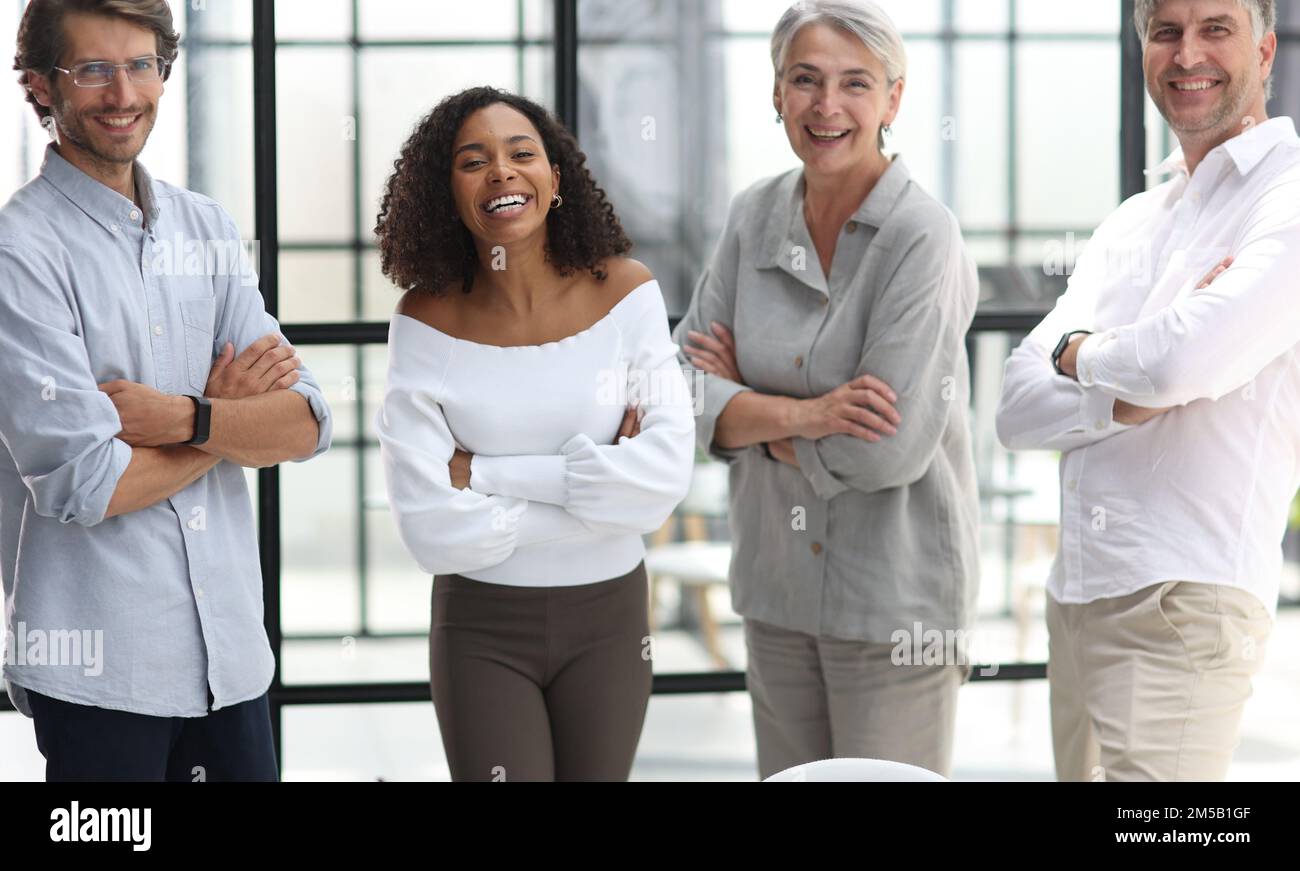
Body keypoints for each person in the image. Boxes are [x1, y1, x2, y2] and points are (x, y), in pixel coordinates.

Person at [0, 0, 333, 781]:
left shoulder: (207, 228)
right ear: (42, 87)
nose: (124, 93)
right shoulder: (19, 252)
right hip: (100, 675)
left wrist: (181, 415)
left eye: (142, 65)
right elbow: (86, 482)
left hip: (232, 662)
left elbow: (306, 422)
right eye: (94, 70)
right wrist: (224, 423)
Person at [676, 0, 980, 779]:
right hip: (775, 589)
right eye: (804, 80)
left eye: (854, 82)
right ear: (777, 93)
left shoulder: (923, 235)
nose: (826, 105)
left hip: (895, 607)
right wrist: (809, 413)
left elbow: (886, 449)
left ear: (893, 99)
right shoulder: (752, 217)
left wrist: (743, 410)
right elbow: (678, 390)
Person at [996, 0, 1294, 781]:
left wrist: (1081, 354)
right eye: (1165, 31)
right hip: (1078, 594)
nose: (1186, 51)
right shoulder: (1132, 221)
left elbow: (1178, 366)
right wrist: (1120, 381)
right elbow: (1014, 406)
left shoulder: (1287, 199)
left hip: (1184, 601)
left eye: (1215, 29)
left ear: (1265, 53)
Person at [373, 86, 695, 782]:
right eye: (473, 160)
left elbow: (659, 486)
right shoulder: (424, 322)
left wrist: (483, 471)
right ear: (446, 192)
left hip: (611, 618)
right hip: (480, 626)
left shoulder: (628, 294)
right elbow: (430, 530)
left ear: (556, 178)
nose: (501, 172)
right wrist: (594, 492)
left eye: (522, 153)